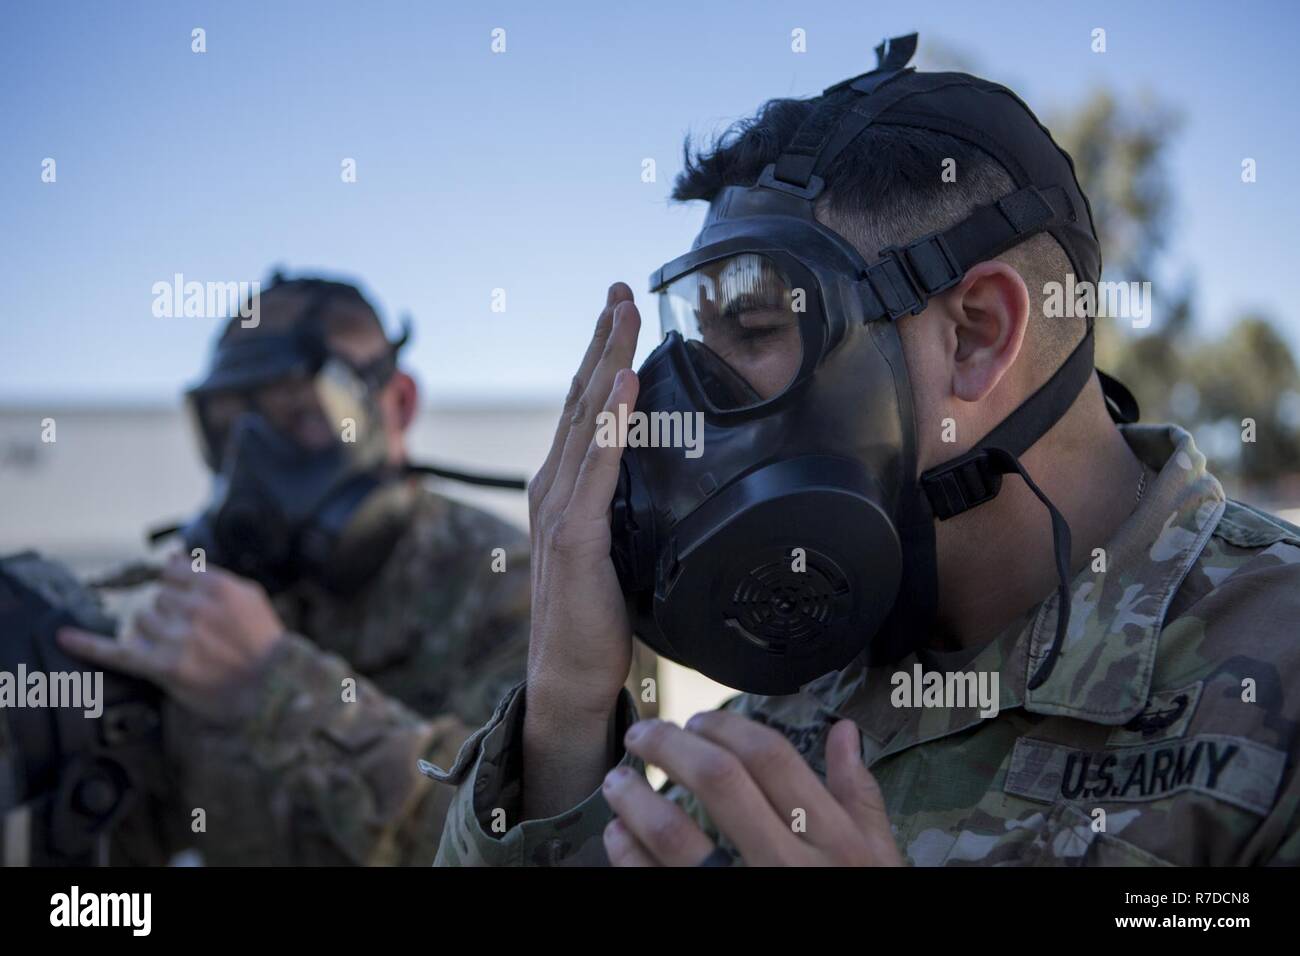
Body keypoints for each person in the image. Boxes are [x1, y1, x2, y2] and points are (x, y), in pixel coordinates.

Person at [429, 36, 1300, 866]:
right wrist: (566, 719)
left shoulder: (1277, 676)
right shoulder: (800, 695)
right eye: (696, 338)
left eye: (755, 325)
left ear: (976, 335)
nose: (679, 404)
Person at [57, 273, 536, 865]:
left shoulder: (522, 587)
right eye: (232, 429)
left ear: (400, 403)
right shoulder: (219, 601)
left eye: (302, 415)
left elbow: (522, 842)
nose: (255, 461)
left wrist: (271, 683)